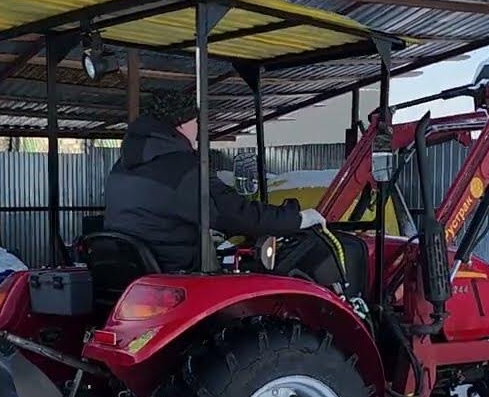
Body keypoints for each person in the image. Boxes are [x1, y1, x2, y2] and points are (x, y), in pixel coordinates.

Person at [104, 89, 325, 271]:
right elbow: (235, 213)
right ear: (183, 124)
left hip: (127, 273)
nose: (198, 129)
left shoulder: (122, 166)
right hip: (177, 274)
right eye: (196, 122)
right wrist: (296, 220)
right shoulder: (184, 167)